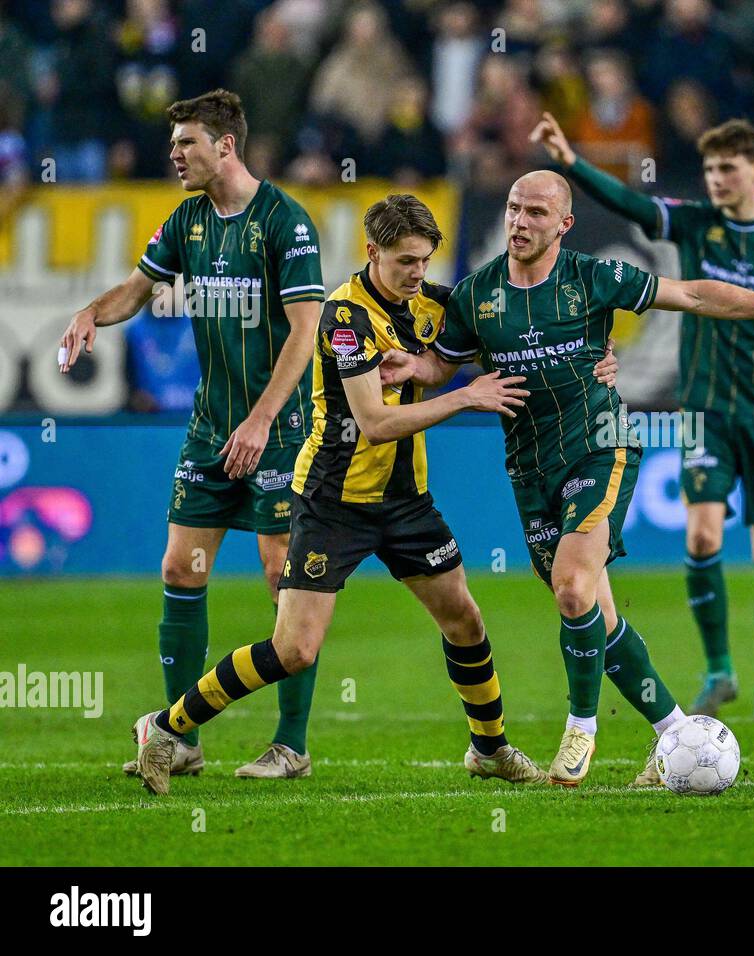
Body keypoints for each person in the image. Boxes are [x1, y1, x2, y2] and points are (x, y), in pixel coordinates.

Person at [128, 194, 618, 796]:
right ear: (372, 252)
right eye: (405, 261)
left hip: (406, 501)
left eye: (424, 260)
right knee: (295, 649)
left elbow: (530, 334)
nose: (417, 274)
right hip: (334, 501)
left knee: (463, 618)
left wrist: (601, 359)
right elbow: (376, 422)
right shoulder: (343, 318)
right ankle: (167, 728)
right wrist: (467, 396)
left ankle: (489, 750)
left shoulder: (436, 303)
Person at [381, 169, 754, 787]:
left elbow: (696, 295)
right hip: (528, 469)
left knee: (573, 587)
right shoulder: (475, 296)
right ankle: (674, 731)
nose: (520, 222)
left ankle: (582, 726)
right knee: (594, 609)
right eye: (515, 208)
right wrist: (416, 365)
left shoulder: (593, 278)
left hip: (602, 448)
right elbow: (444, 364)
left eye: (537, 213)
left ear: (564, 225)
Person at [532, 112, 754, 723]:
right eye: (709, 168)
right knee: (703, 533)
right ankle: (718, 672)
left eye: (727, 168)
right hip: (705, 410)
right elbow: (633, 204)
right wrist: (572, 163)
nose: (714, 178)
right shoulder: (696, 223)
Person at [60, 89, 326, 780]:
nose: (174, 154)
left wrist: (263, 418)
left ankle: (290, 744)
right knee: (181, 569)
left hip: (279, 430)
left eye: (185, 143)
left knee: (281, 580)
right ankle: (180, 738)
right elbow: (138, 289)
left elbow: (306, 331)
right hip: (211, 430)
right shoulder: (187, 221)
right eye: (174, 144)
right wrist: (92, 311)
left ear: (225, 145)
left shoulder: (284, 222)